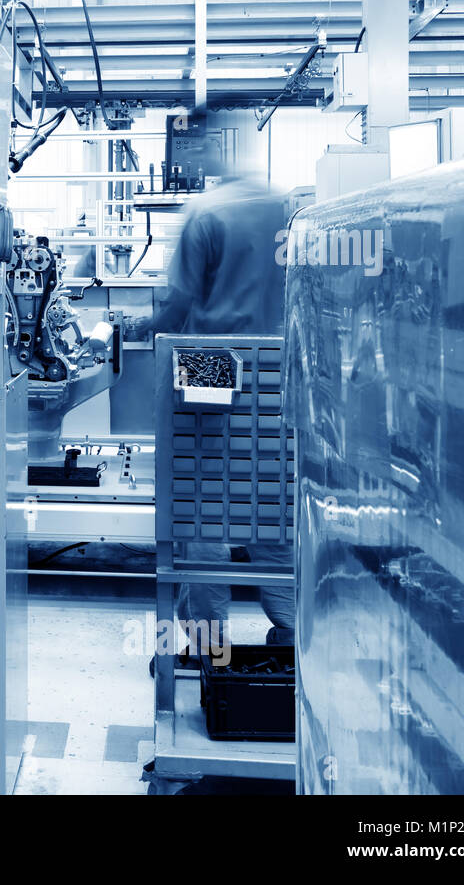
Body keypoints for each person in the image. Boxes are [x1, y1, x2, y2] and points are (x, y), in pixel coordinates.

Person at [127, 110, 296, 652]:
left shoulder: (206, 212)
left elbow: (177, 303)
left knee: (203, 515)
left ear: (217, 147)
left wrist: (138, 330)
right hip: (277, 370)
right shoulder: (287, 206)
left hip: (208, 367)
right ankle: (292, 633)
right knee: (272, 504)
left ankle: (210, 648)